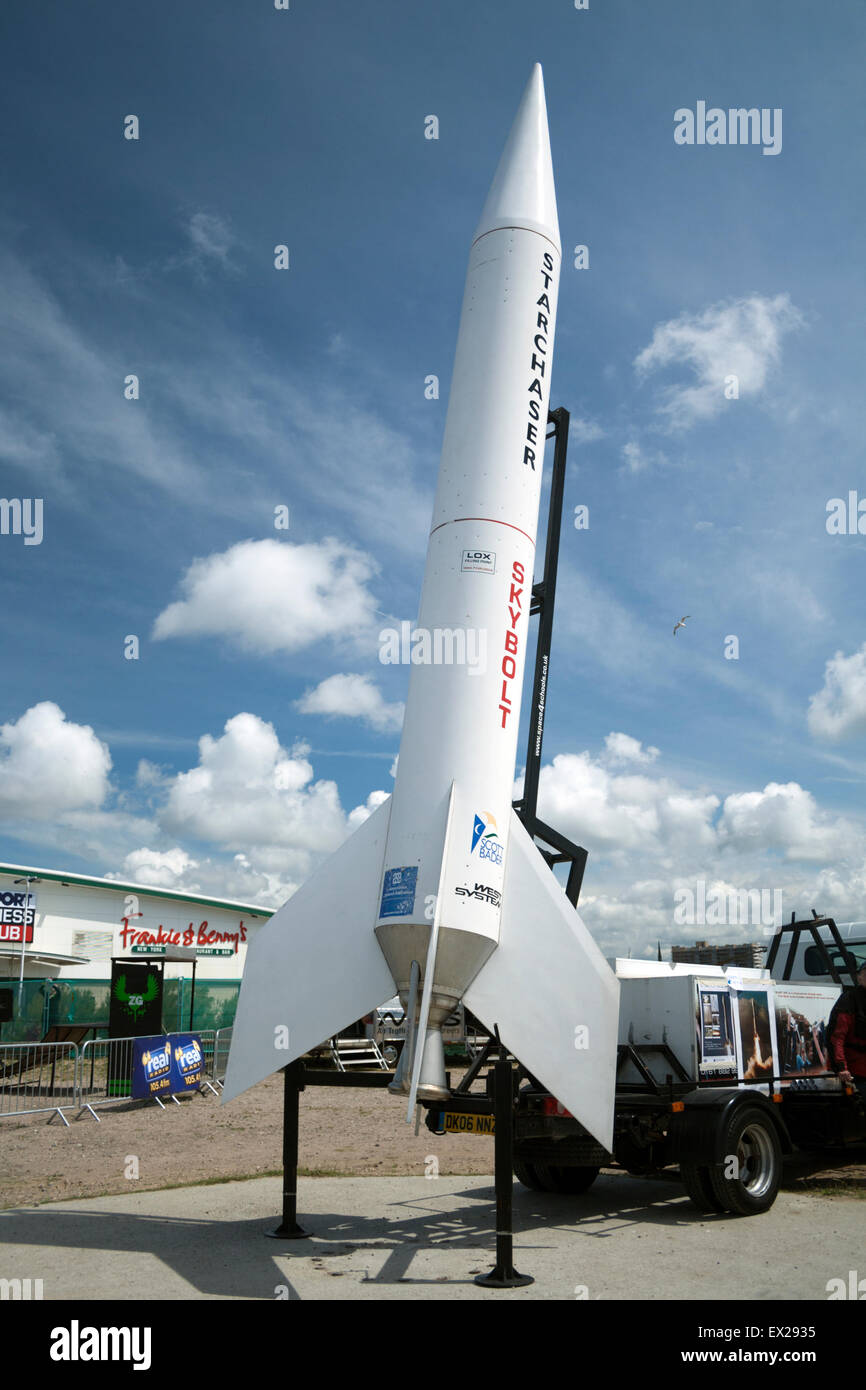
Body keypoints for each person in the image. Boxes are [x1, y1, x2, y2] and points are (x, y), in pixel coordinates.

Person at [829, 961, 866, 1104]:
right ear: (859, 978)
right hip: (856, 1071)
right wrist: (841, 1067)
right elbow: (837, 1037)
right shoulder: (849, 1000)